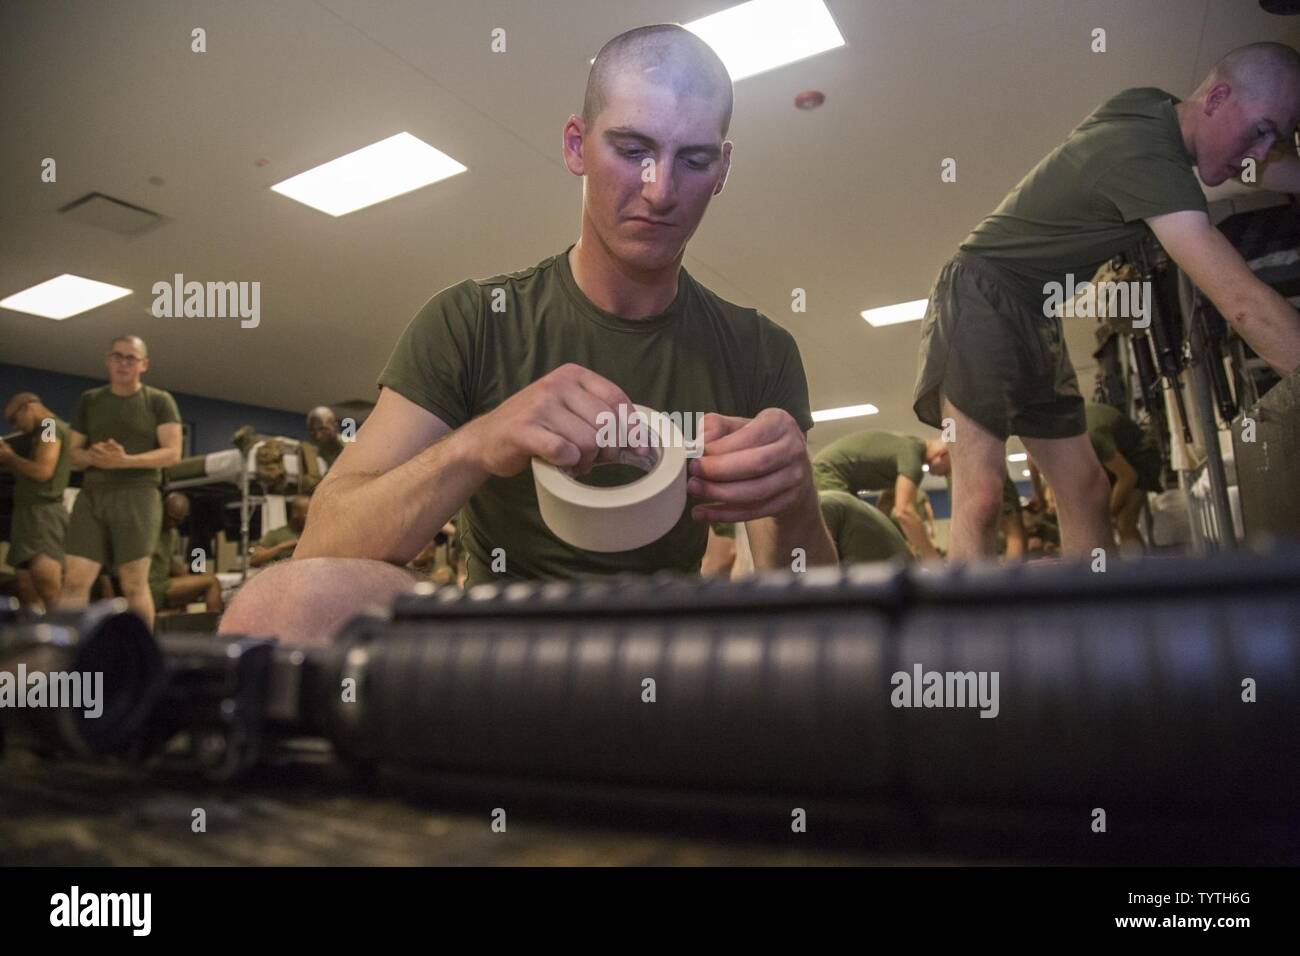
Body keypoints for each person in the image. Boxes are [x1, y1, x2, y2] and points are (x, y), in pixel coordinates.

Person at [221, 23, 836, 645]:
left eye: (695, 160)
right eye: (631, 149)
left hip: (663, 653)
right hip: (494, 643)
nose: (661, 189)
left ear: (723, 167)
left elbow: (809, 612)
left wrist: (795, 502)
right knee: (279, 603)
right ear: (576, 145)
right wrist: (480, 440)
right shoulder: (470, 321)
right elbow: (324, 542)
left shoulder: (760, 351)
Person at [914, 42, 1300, 561]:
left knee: (1088, 491)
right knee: (981, 499)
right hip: (981, 294)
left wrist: (1264, 151)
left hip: (1038, 314)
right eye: (1260, 130)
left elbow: (1260, 169)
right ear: (1217, 98)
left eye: (1274, 137)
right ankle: (960, 641)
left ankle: (1087, 631)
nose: (1257, 154)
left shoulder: (1153, 111)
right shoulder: (1148, 156)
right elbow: (1242, 303)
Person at [59, 335, 182, 631]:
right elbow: (73, 454)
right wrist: (94, 456)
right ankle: (60, 656)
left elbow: (173, 453)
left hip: (138, 496)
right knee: (74, 580)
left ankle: (140, 662)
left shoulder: (158, 400)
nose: (123, 363)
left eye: (131, 358)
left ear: (144, 365)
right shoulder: (91, 400)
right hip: (92, 495)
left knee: (133, 583)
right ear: (108, 360)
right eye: (117, 356)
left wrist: (124, 460)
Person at [812, 430, 950, 559]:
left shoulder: (908, 448)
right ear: (943, 454)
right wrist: (933, 558)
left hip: (829, 474)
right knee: (853, 540)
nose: (942, 474)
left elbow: (882, 513)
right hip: (827, 475)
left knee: (870, 534)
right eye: (948, 470)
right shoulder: (912, 458)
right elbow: (905, 513)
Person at [0, 392, 72, 609]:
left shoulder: (49, 426)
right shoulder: (39, 434)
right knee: (26, 586)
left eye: (14, 419)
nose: (15, 427)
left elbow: (43, 470)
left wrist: (9, 457)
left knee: (47, 584)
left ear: (28, 407)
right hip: (27, 516)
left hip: (42, 516)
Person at [1085, 401, 1163, 551]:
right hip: (1121, 459)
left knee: (1124, 522)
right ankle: (1105, 569)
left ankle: (1139, 573)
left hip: (1141, 457)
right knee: (1104, 523)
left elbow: (1128, 477)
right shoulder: (1075, 424)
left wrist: (1106, 516)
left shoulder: (1092, 436)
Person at [148, 492, 223, 613]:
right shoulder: (149, 530)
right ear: (162, 509)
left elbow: (169, 562)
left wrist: (192, 578)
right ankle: (218, 630)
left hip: (162, 584)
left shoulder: (172, 534)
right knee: (212, 582)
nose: (172, 524)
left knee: (202, 582)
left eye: (177, 521)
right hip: (153, 587)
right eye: (171, 518)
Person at [818, 490, 912, 565]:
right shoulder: (830, 500)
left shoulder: (822, 507)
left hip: (885, 581)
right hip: (898, 577)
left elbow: (821, 567)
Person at [248, 495, 309, 568]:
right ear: (295, 513)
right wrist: (283, 546)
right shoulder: (275, 535)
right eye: (306, 513)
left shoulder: (314, 534)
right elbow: (254, 560)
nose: (310, 516)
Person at [300, 406, 346, 492]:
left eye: (322, 429)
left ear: (335, 427)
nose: (318, 436)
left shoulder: (349, 447)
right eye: (312, 431)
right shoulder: (322, 450)